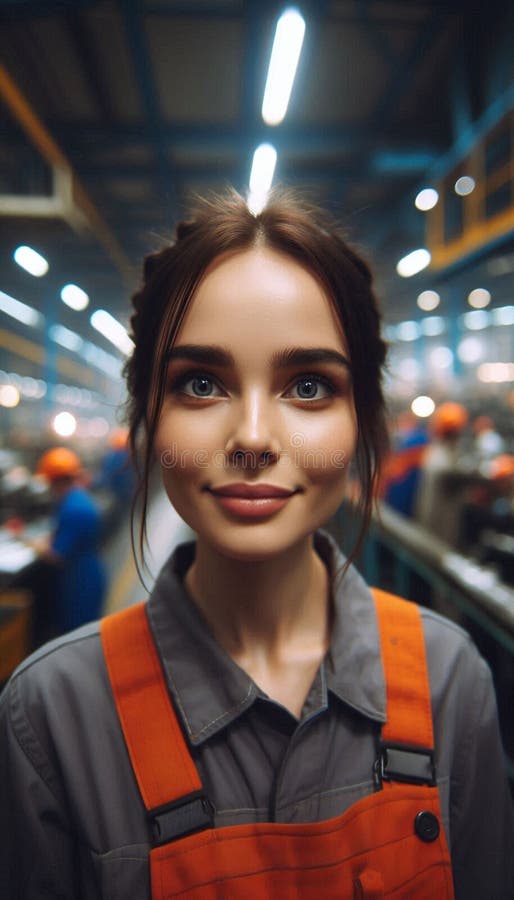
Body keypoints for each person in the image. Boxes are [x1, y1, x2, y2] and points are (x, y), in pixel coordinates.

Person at [0, 190, 512, 899]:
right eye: (201, 383)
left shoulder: (450, 679)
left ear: (362, 420)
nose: (251, 439)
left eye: (309, 386)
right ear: (148, 416)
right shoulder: (50, 717)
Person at [31, 447, 106, 635]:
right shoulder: (74, 499)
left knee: (78, 633)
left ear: (55, 482)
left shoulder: (75, 509)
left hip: (80, 582)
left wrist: (31, 544)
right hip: (79, 573)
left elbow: (56, 556)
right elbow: (61, 532)